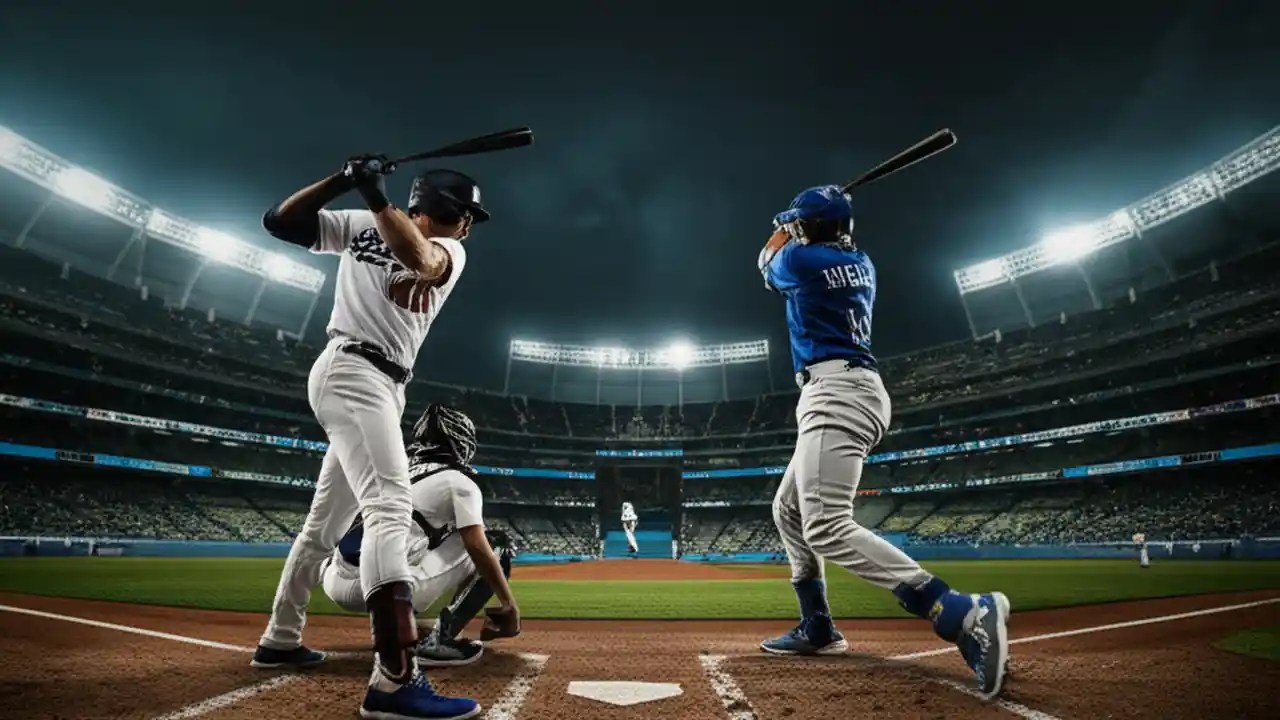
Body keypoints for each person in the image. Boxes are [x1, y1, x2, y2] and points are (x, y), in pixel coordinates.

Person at [252, 155, 492, 720]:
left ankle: (280, 638)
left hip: (379, 383)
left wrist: (375, 197)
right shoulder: (362, 222)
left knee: (324, 525)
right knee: (389, 504)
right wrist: (342, 181)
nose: (470, 227)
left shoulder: (448, 251)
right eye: (467, 215)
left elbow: (421, 258)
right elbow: (279, 222)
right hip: (354, 371)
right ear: (447, 209)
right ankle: (395, 678)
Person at [756, 185, 1010, 698]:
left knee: (825, 525)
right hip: (851, 388)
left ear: (812, 228)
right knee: (789, 510)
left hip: (835, 392)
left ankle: (956, 610)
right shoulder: (863, 261)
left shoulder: (802, 260)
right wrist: (806, 216)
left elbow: (766, 260)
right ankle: (818, 627)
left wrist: (785, 220)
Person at [321, 404, 520, 668]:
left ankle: (401, 625)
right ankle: (444, 638)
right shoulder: (458, 481)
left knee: (409, 536)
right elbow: (476, 545)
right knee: (495, 545)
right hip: (386, 589)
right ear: (462, 443)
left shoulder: (394, 473)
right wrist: (509, 604)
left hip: (336, 582)